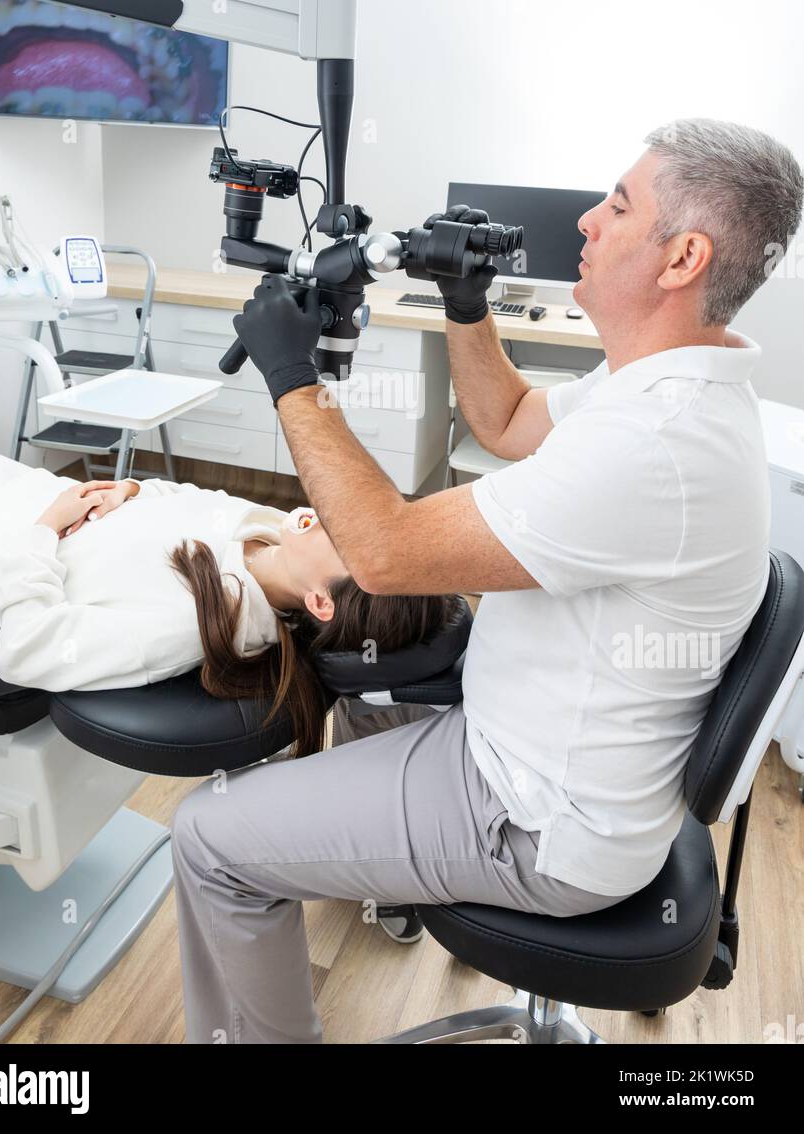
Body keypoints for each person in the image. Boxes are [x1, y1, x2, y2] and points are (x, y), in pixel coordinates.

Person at [167, 117, 803, 1043]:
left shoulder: (651, 446)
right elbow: (505, 418)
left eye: (618, 206)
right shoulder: (667, 386)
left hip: (535, 818)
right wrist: (468, 305)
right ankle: (386, 883)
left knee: (209, 837)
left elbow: (382, 549)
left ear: (683, 260)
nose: (587, 220)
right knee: (371, 686)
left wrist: (291, 376)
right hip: (560, 756)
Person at [0, 443, 456, 756]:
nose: (335, 515)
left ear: (321, 601)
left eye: (344, 539)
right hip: (22, 491)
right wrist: (131, 492)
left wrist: (45, 531)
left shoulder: (192, 622)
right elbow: (185, 498)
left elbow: (25, 649)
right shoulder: (273, 534)